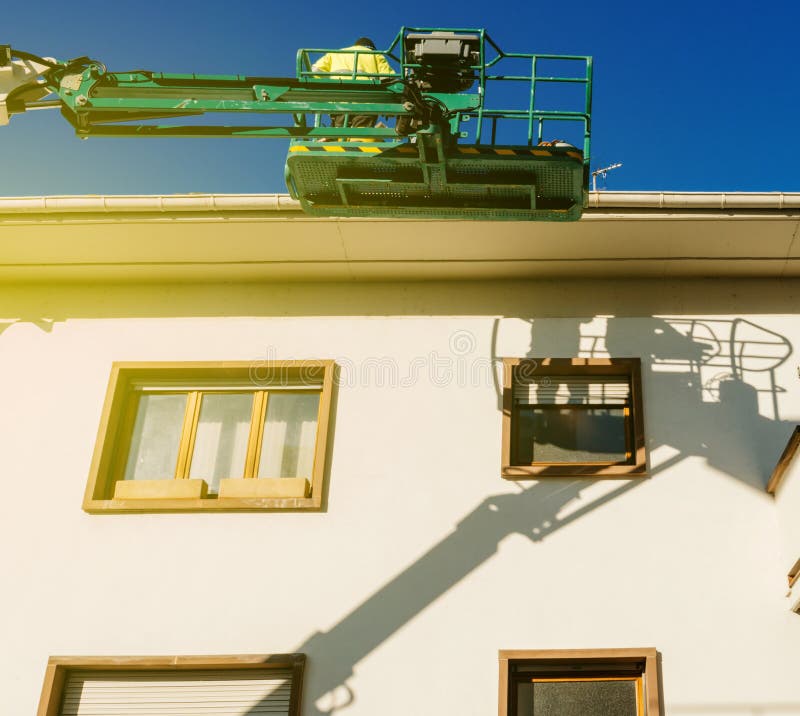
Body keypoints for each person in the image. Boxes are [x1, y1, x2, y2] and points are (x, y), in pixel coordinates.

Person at [312, 37, 395, 129]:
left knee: (339, 135)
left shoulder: (335, 54)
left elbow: (315, 70)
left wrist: (327, 87)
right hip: (367, 103)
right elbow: (389, 79)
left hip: (338, 102)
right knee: (361, 136)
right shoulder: (376, 55)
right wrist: (389, 105)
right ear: (371, 48)